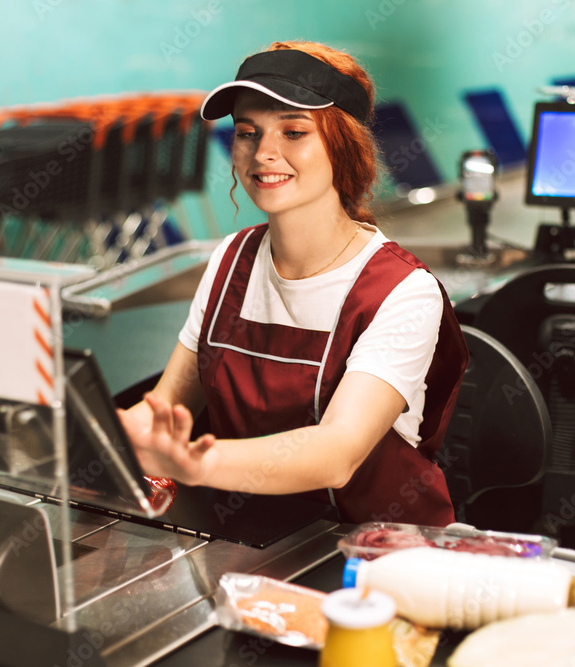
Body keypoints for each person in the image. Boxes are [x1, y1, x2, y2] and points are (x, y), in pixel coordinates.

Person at [118, 40, 468, 526]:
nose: (264, 153)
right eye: (247, 132)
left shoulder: (402, 291)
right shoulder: (231, 260)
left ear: (342, 146)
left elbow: (336, 453)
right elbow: (160, 409)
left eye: (294, 132)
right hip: (253, 539)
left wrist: (198, 464)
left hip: (379, 553)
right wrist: (87, 432)